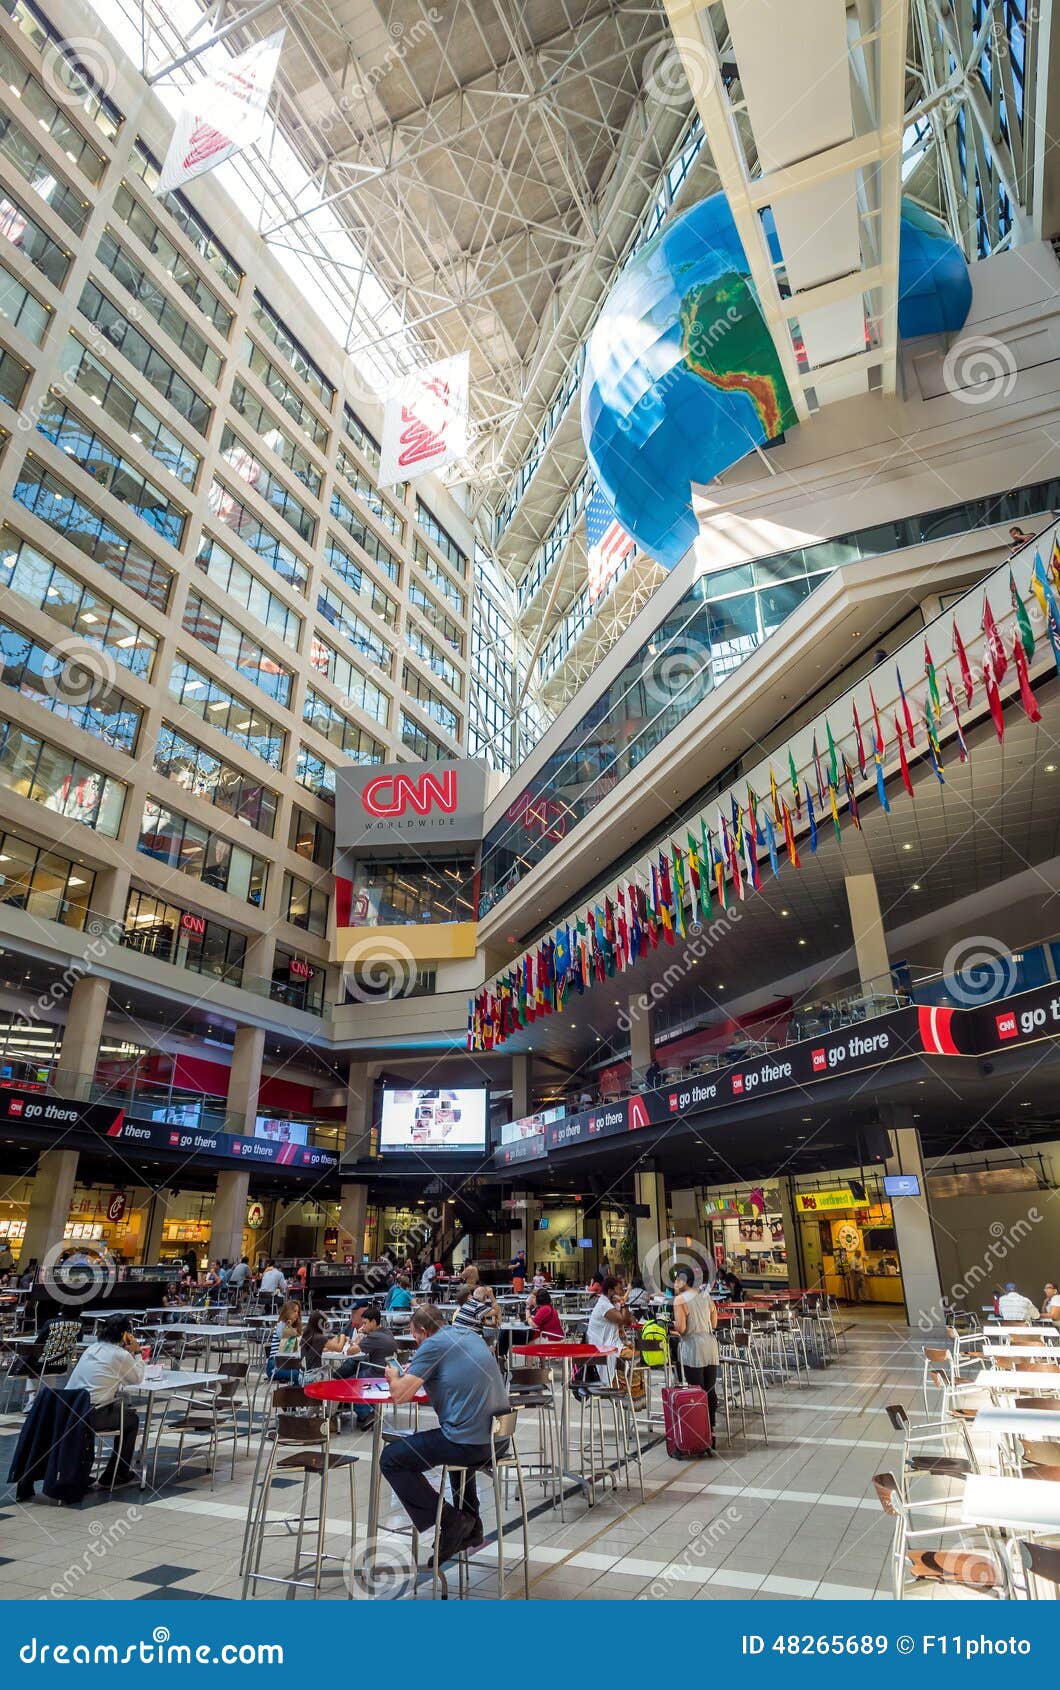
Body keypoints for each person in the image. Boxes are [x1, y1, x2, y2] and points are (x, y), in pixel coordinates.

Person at [380, 1304, 510, 1562]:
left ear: (423, 1331)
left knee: (391, 1459)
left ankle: (452, 1521)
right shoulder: (469, 1334)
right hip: (499, 1439)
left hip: (471, 1444)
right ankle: (472, 1525)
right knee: (457, 1444)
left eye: (415, 1337)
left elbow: (400, 1395)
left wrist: (394, 1375)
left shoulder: (433, 1345)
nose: (417, 1344)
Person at [66, 1313, 144, 1488]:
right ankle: (117, 1473)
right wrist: (137, 1352)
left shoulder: (92, 1348)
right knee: (131, 1420)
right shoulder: (120, 1354)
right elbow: (137, 1378)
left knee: (118, 1407)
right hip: (92, 1414)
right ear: (125, 1334)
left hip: (69, 1409)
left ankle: (82, 1471)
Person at [671, 1267, 718, 1448]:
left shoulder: (680, 1300)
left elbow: (682, 1329)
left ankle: (698, 1434)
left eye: (676, 1281)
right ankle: (711, 1432)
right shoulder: (706, 1296)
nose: (674, 1284)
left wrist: (674, 1327)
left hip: (693, 1346)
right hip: (710, 1343)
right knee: (709, 1389)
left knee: (696, 1391)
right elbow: (714, 1322)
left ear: (683, 1282)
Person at [585, 1275, 631, 1381]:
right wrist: (623, 1302)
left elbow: (628, 1321)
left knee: (633, 1353)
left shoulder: (611, 1304)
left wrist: (622, 1304)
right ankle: (622, 1385)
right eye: (619, 1289)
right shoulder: (603, 1305)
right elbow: (622, 1319)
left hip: (609, 1343)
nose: (622, 1292)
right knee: (632, 1356)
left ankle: (625, 1385)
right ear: (610, 1291)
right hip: (601, 1345)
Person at [266, 1300, 303, 1381]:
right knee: (301, 1375)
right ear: (287, 1312)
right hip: (275, 1366)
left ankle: (294, 1392)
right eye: (294, 1311)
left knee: (305, 1373)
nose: (297, 1314)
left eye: (298, 1311)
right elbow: (290, 1344)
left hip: (288, 1364)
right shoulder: (280, 1326)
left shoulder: (294, 1328)